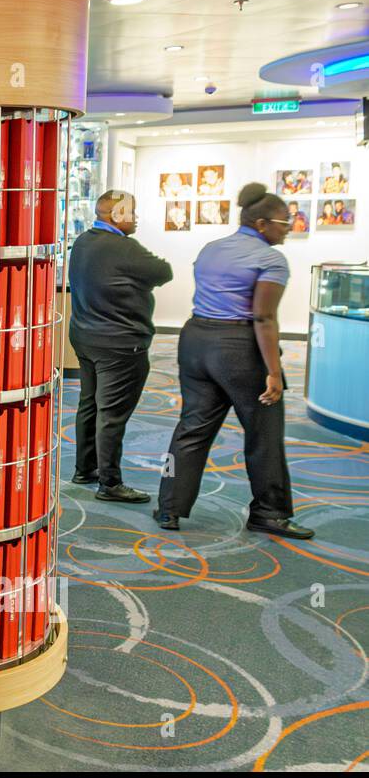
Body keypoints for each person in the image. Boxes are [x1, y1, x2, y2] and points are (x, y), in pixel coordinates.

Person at [154, 184, 313, 540]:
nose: (289, 227)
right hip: (239, 348)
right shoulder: (271, 259)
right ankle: (269, 513)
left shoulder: (211, 248)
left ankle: (169, 507)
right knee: (264, 432)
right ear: (261, 223)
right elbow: (263, 318)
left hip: (195, 341)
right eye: (283, 222)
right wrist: (274, 372)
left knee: (192, 427)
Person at [68, 191, 173, 503]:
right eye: (132, 212)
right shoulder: (126, 248)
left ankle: (85, 469)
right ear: (115, 216)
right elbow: (163, 272)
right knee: (112, 414)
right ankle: (110, 483)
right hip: (120, 344)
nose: (136, 218)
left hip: (86, 338)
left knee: (90, 405)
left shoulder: (84, 241)